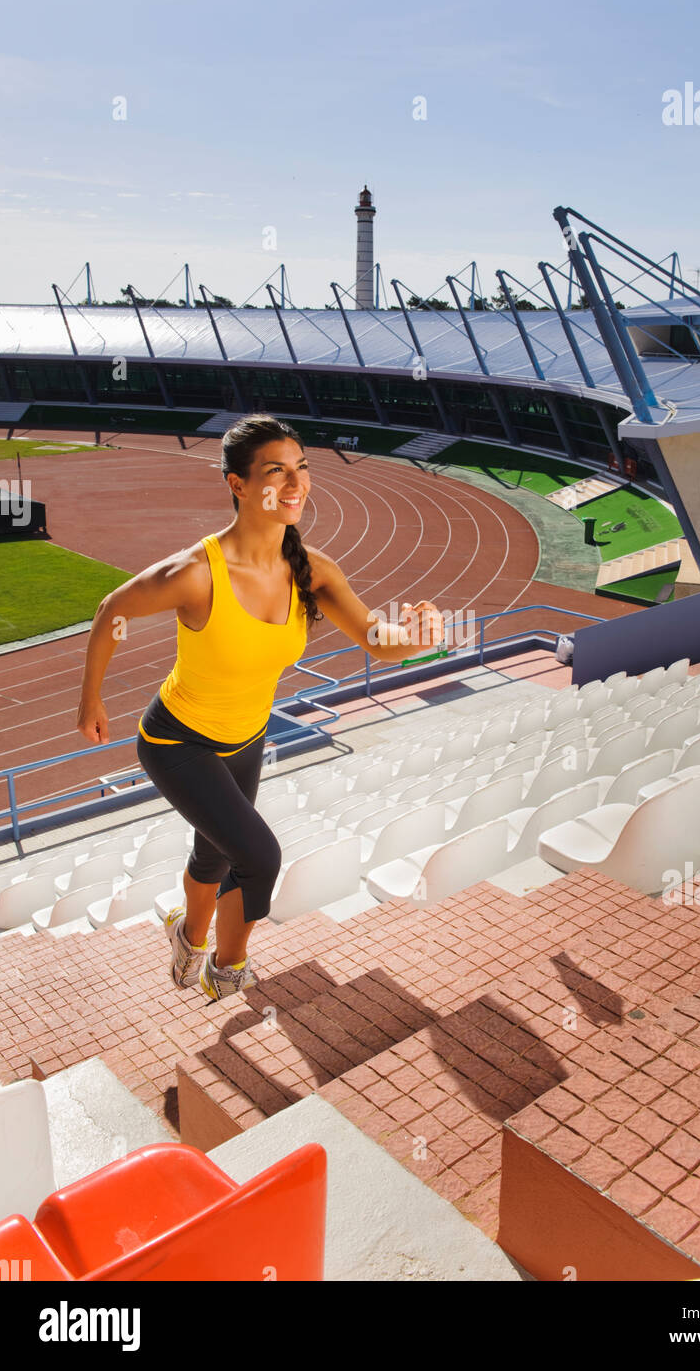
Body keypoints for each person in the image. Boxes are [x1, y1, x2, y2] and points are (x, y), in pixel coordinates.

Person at [77, 414, 445, 1000]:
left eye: (302, 469)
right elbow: (110, 612)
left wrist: (418, 640)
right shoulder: (196, 574)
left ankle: (188, 937)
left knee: (214, 854)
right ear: (238, 484)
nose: (296, 484)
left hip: (246, 740)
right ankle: (225, 971)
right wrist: (90, 697)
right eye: (277, 471)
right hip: (178, 741)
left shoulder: (315, 571)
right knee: (259, 857)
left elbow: (377, 636)